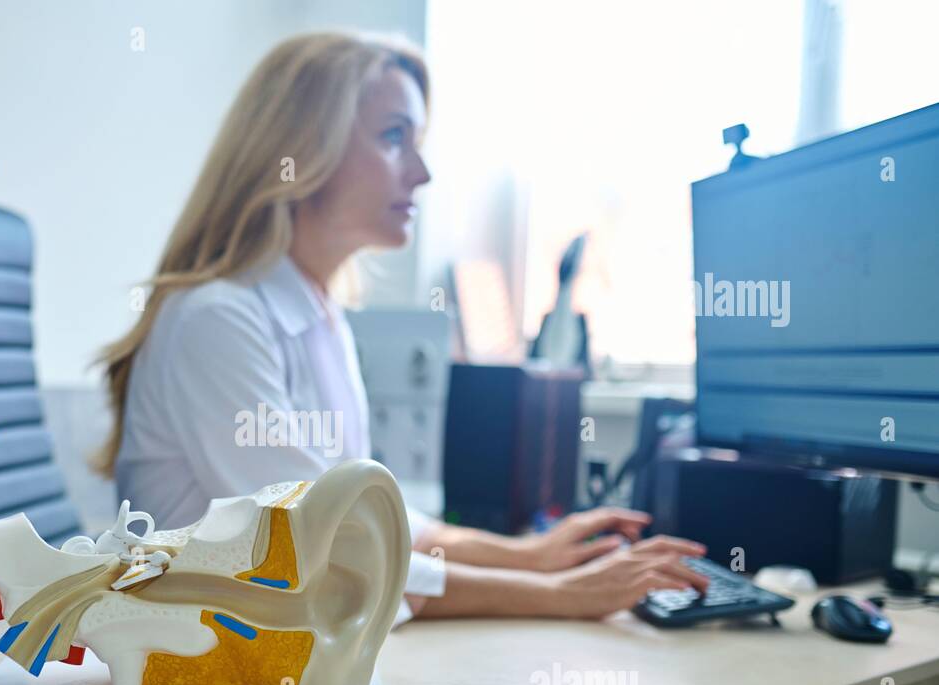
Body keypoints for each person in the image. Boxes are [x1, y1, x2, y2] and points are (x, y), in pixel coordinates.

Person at [91, 31, 709, 623]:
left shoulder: (322, 320)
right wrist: (555, 593)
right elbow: (316, 553)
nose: (421, 173)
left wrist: (529, 556)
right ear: (302, 152)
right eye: (393, 137)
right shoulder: (216, 321)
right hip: (197, 684)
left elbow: (360, 521)